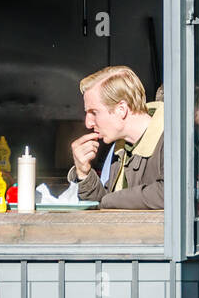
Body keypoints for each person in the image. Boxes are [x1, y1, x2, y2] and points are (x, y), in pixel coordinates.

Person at [68, 66, 164, 210]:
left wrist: (108, 200)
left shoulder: (171, 140)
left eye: (94, 112)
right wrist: (84, 173)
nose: (88, 123)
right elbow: (104, 205)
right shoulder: (120, 148)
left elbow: (169, 194)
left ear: (121, 109)